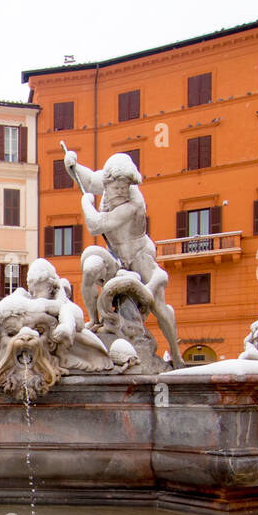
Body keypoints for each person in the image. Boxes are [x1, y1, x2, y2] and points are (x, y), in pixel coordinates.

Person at [63, 149, 184, 368]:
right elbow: (89, 180)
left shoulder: (134, 203)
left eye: (124, 188)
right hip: (114, 255)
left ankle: (176, 354)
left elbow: (95, 225)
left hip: (139, 256)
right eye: (116, 188)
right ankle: (95, 320)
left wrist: (85, 204)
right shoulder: (108, 181)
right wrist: (72, 164)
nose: (120, 192)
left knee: (158, 306)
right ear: (108, 183)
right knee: (90, 268)